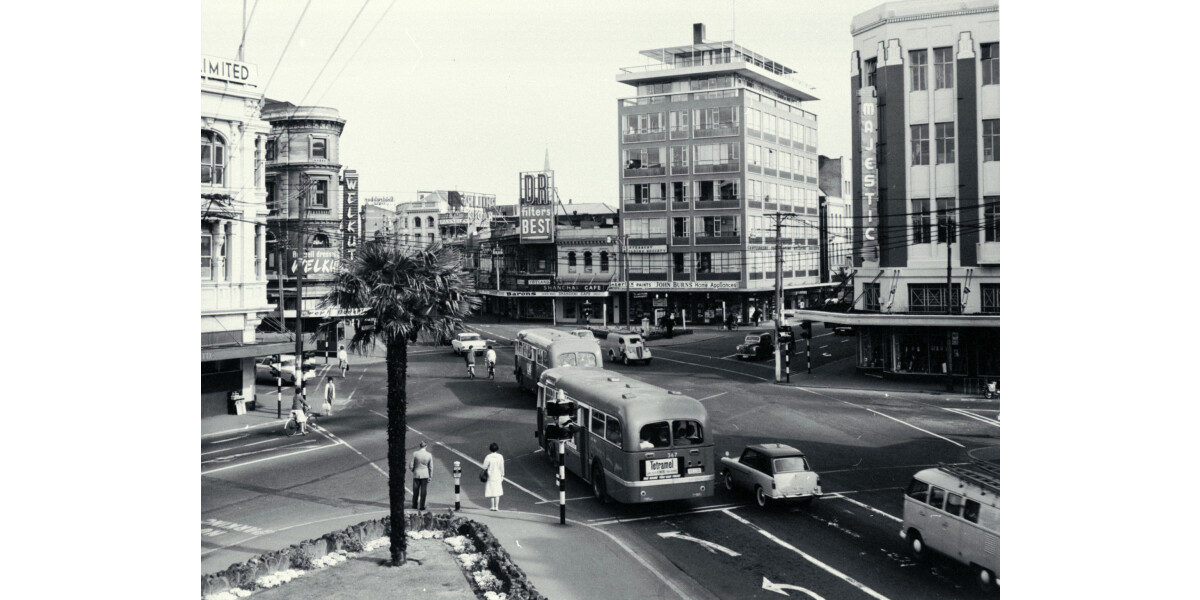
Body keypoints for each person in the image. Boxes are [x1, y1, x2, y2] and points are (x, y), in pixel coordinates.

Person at [482, 442, 505, 511]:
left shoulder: (488, 457)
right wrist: (502, 475)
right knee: (497, 491)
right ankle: (497, 507)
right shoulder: (500, 456)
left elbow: (484, 466)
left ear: (490, 449)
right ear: (497, 449)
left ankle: (492, 506)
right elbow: (502, 467)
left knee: (492, 491)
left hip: (490, 475)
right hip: (498, 475)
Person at [411, 441, 433, 511]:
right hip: (425, 474)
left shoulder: (415, 453)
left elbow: (411, 465)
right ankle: (422, 506)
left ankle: (414, 505)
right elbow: (431, 467)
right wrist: (430, 476)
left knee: (415, 491)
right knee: (423, 491)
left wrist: (413, 470)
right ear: (426, 446)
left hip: (416, 474)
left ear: (419, 446)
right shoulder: (429, 455)